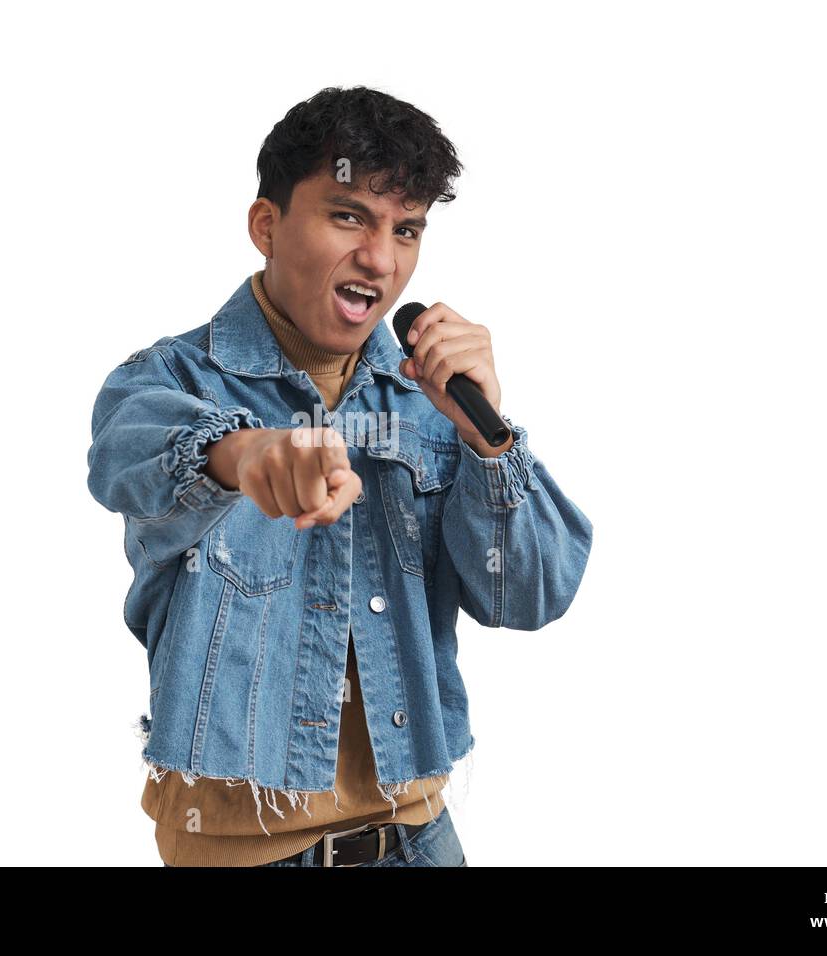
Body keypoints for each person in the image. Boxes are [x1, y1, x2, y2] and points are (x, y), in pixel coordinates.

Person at [86, 86, 593, 867]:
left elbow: (526, 596)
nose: (381, 259)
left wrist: (490, 447)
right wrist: (249, 455)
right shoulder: (169, 380)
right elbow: (128, 455)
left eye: (407, 229)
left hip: (420, 838)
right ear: (267, 226)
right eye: (349, 215)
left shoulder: (432, 401)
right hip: (241, 849)